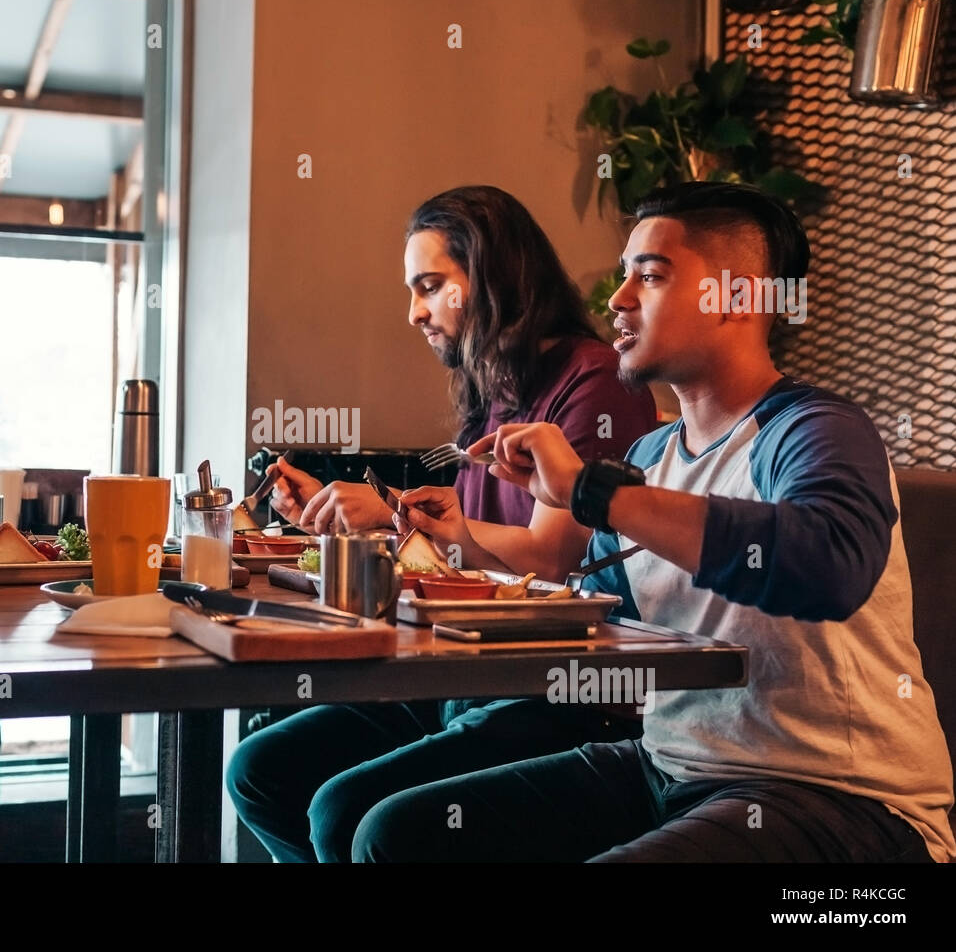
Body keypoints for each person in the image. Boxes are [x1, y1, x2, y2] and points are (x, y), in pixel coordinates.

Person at [350, 181, 955, 862]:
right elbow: (593, 610)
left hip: (837, 795)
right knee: (396, 834)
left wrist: (594, 492)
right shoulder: (649, 456)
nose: (618, 297)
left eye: (651, 275)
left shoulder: (814, 429)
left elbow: (828, 567)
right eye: (625, 272)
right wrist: (466, 545)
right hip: (673, 765)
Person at [227, 186, 657, 862]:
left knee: (342, 812)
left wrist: (406, 522)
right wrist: (361, 524)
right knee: (259, 769)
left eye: (430, 286)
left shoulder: (592, 381)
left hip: (553, 693)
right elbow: (462, 559)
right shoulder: (497, 394)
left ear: (489, 278)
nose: (414, 312)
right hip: (471, 674)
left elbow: (551, 560)